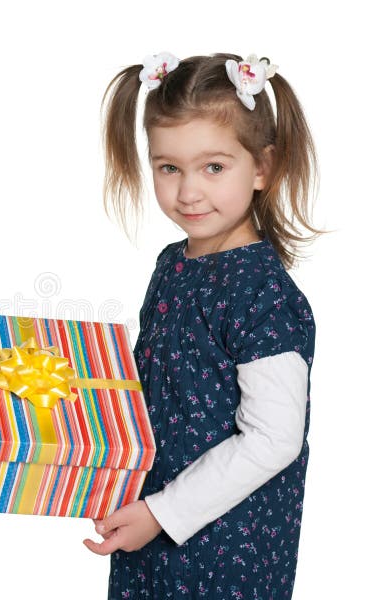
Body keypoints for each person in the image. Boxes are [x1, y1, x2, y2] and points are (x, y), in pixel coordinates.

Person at [83, 52, 319, 598]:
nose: (188, 191)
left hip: (224, 550)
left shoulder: (262, 295)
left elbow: (274, 438)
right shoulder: (174, 263)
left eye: (213, 167)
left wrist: (163, 513)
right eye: (169, 168)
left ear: (262, 167)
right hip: (150, 524)